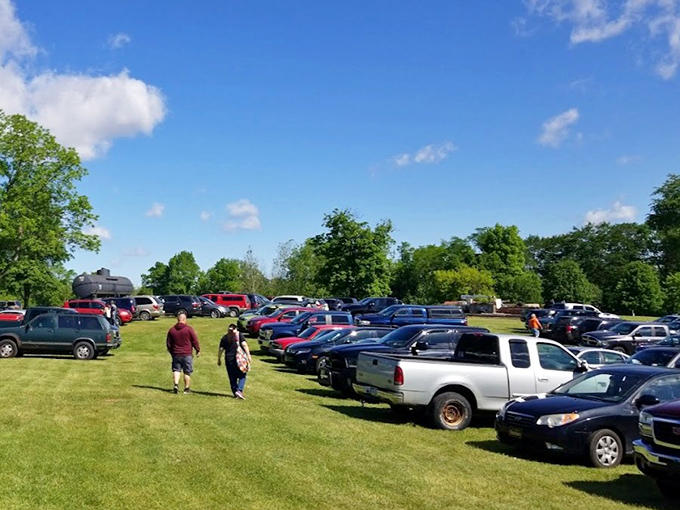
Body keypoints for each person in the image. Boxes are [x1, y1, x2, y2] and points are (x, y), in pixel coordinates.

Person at [166, 313, 201, 394]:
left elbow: (168, 343)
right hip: (187, 354)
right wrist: (197, 349)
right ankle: (186, 389)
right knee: (187, 372)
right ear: (184, 320)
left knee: (176, 370)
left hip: (176, 354)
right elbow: (195, 340)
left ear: (178, 320)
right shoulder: (189, 329)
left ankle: (176, 385)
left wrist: (172, 352)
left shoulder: (172, 330)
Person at [218, 323, 251, 399]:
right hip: (238, 360)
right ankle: (239, 390)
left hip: (228, 360)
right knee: (242, 375)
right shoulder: (239, 336)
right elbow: (244, 345)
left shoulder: (225, 338)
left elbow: (221, 349)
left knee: (232, 377)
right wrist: (248, 355)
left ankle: (235, 392)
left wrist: (219, 359)